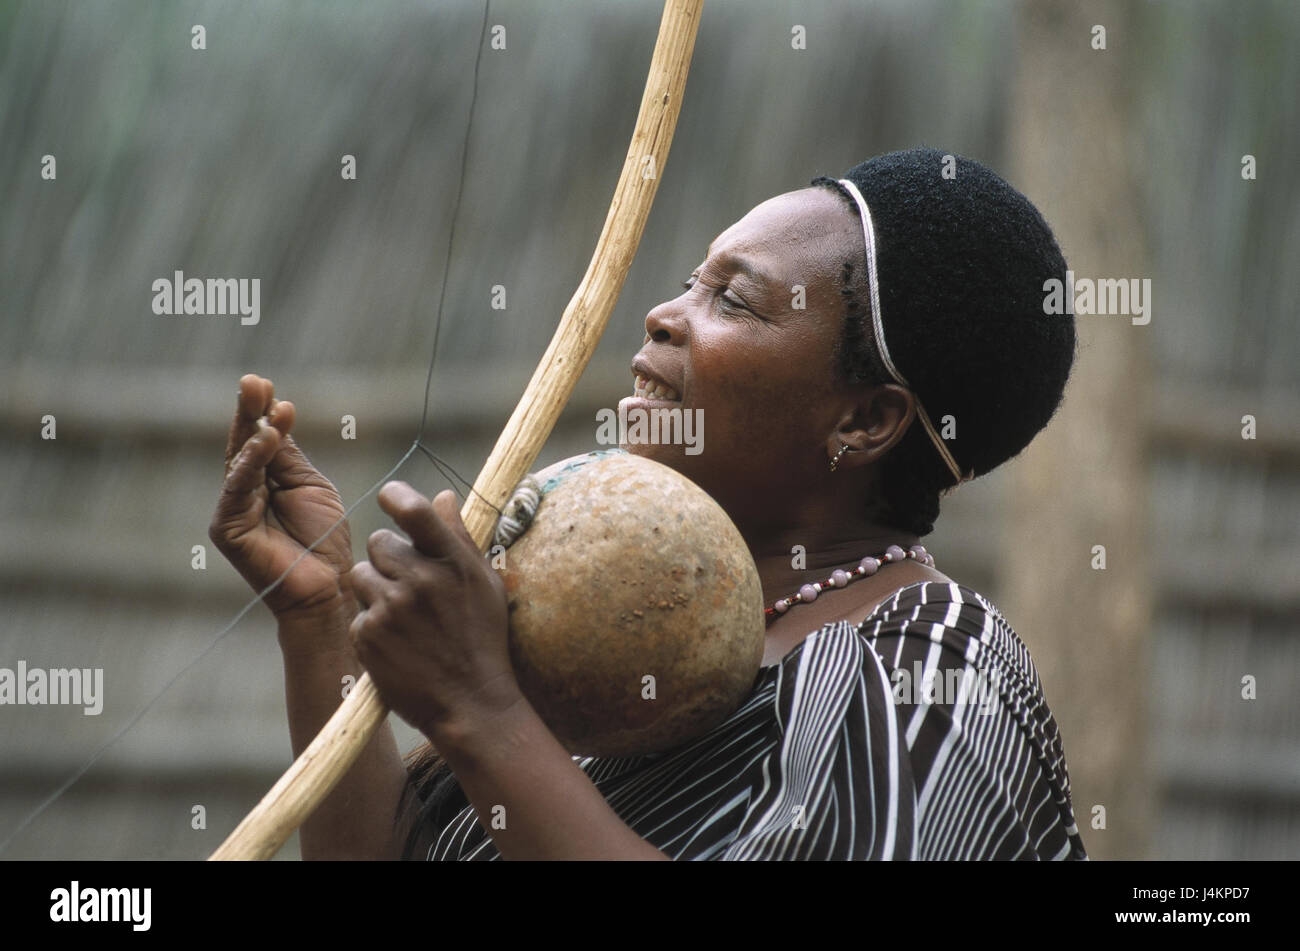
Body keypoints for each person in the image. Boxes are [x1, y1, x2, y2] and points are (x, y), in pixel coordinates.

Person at [210, 148, 1087, 860]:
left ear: (862, 420)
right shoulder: (608, 632)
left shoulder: (939, 662)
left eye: (732, 299)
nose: (664, 316)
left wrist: (479, 708)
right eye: (690, 282)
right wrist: (319, 616)